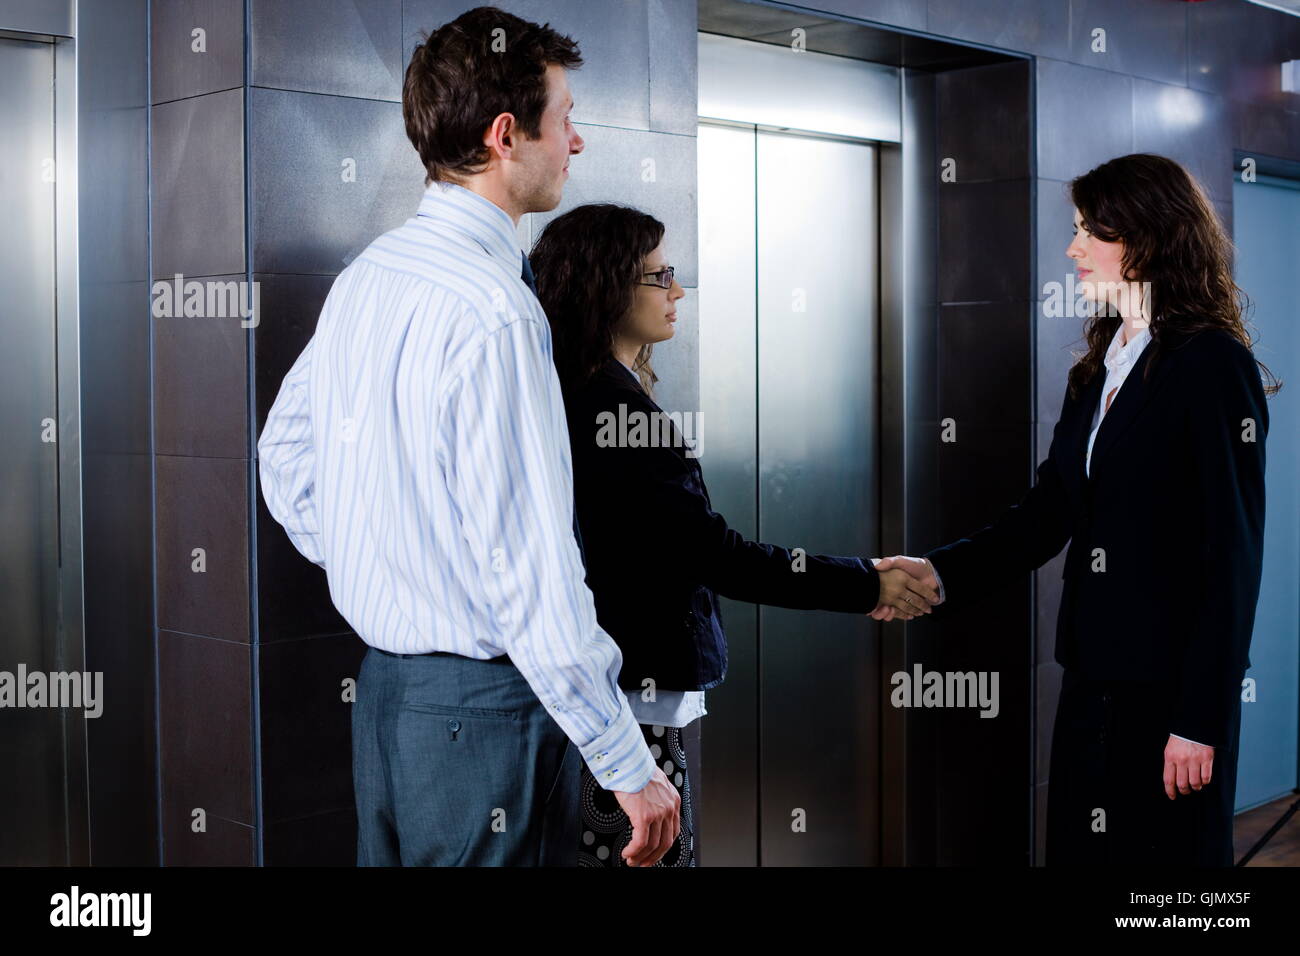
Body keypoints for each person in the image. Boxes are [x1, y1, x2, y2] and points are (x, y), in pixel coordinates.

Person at [257, 7, 683, 867]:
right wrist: (623, 760)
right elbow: (530, 567)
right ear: (504, 135)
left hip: (388, 698)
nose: (577, 143)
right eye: (564, 120)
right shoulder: (496, 312)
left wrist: (393, 562)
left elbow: (284, 459)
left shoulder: (368, 278)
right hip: (483, 712)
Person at [883, 153, 1278, 865]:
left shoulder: (1213, 363)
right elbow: (1046, 513)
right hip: (1092, 675)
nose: (1073, 249)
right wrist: (939, 574)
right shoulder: (1099, 366)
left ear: (1148, 237)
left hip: (1171, 696)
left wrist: (1200, 719)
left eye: (1091, 230)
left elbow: (1233, 555)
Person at [528, 202, 942, 866]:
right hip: (629, 707)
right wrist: (865, 582)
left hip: (611, 698)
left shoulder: (579, 393)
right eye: (660, 277)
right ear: (607, 287)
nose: (677, 292)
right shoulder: (612, 409)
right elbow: (716, 555)